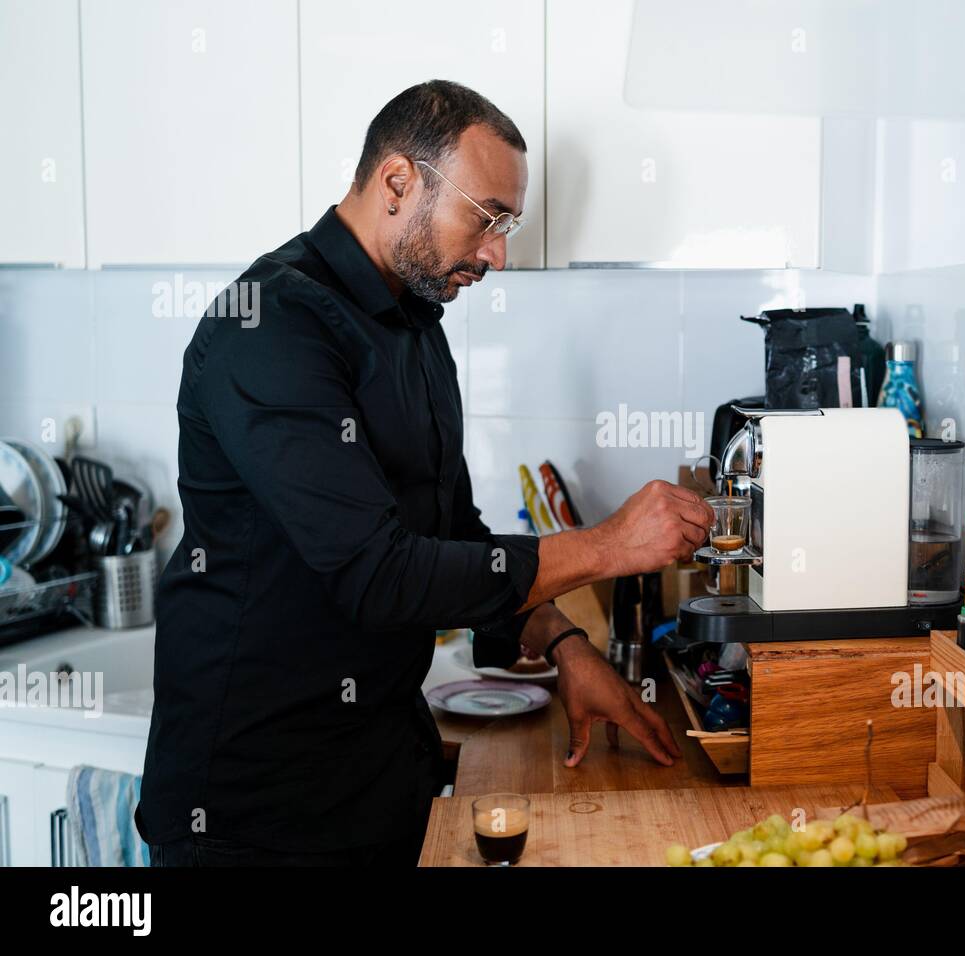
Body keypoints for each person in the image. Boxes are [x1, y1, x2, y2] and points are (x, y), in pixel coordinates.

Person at [137, 80, 713, 866]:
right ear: (399, 182)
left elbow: (454, 539)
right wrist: (608, 547)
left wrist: (567, 645)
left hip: (382, 772)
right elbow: (378, 573)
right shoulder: (270, 323)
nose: (497, 254)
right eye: (487, 219)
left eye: (507, 225)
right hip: (255, 807)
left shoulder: (416, 323)